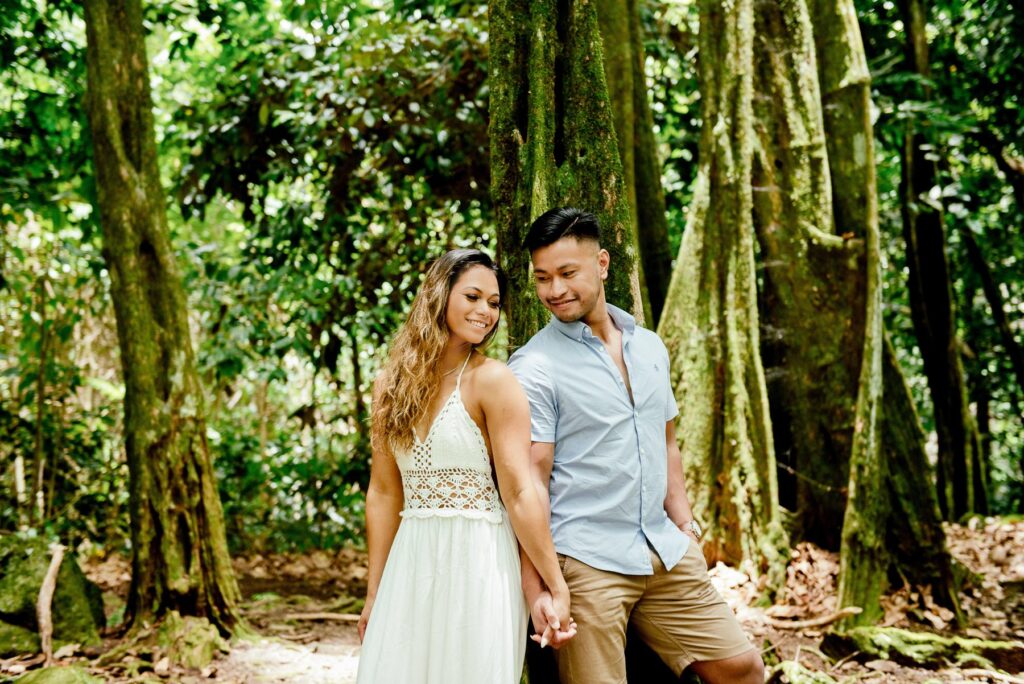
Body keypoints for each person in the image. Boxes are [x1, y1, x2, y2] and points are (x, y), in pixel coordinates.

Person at [508, 208, 765, 684]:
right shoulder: (534, 366)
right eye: (543, 278)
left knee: (743, 669)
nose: (555, 290)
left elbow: (666, 441)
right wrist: (541, 587)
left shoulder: (648, 346)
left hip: (665, 551)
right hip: (587, 563)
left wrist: (686, 525)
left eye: (568, 273)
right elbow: (530, 485)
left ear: (602, 264)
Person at [357, 249, 576, 684]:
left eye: (493, 303)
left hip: (479, 562)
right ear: (439, 295)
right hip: (411, 562)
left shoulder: (493, 380)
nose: (484, 312)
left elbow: (519, 491)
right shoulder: (389, 386)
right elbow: (383, 493)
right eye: (473, 297)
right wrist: (374, 592)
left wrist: (555, 583)